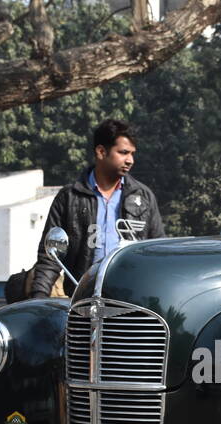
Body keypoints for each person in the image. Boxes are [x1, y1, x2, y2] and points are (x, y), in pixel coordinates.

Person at [26, 119, 164, 300]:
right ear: (101, 152)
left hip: (132, 300)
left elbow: (159, 252)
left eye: (132, 153)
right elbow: (50, 257)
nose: (130, 160)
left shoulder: (144, 197)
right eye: (123, 152)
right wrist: (38, 299)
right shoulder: (69, 197)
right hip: (82, 301)